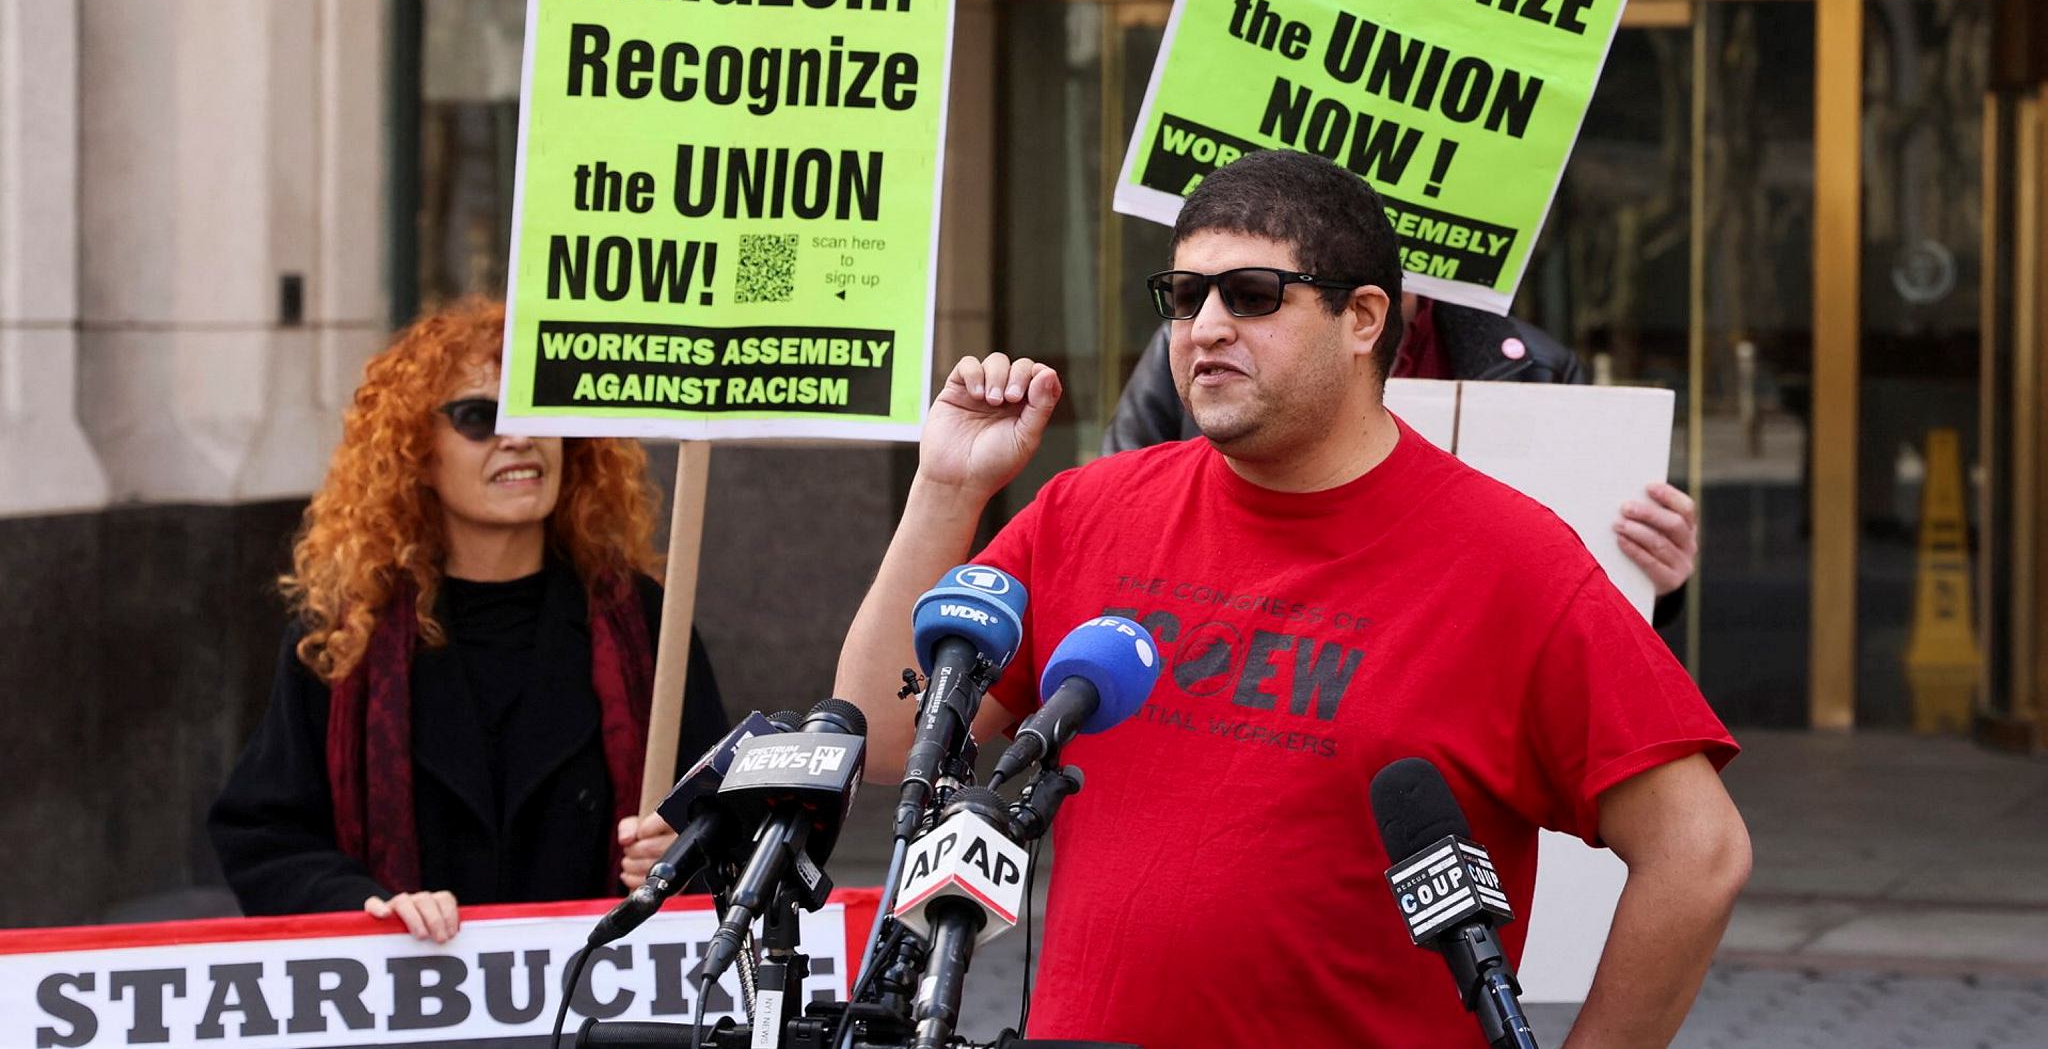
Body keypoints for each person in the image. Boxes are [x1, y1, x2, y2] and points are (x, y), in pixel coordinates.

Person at [836, 151, 1748, 1047]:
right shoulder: (1089, 509)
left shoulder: (1514, 558)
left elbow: (1697, 852)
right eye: (1186, 297)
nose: (1206, 327)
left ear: (1363, 317)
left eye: (1254, 294)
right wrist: (947, 491)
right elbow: (883, 733)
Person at [210, 298, 728, 942]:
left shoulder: (643, 625)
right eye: (479, 417)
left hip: (594, 1003)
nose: (518, 437)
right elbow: (267, 835)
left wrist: (680, 856)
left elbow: (732, 824)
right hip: (415, 1014)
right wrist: (366, 904)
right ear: (417, 454)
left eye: (537, 412)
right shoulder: (348, 637)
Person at [1108, 292, 1701, 621]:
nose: (1210, 325)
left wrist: (1654, 573)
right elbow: (1116, 525)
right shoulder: (1195, 341)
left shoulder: (1533, 364)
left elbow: (1577, 574)